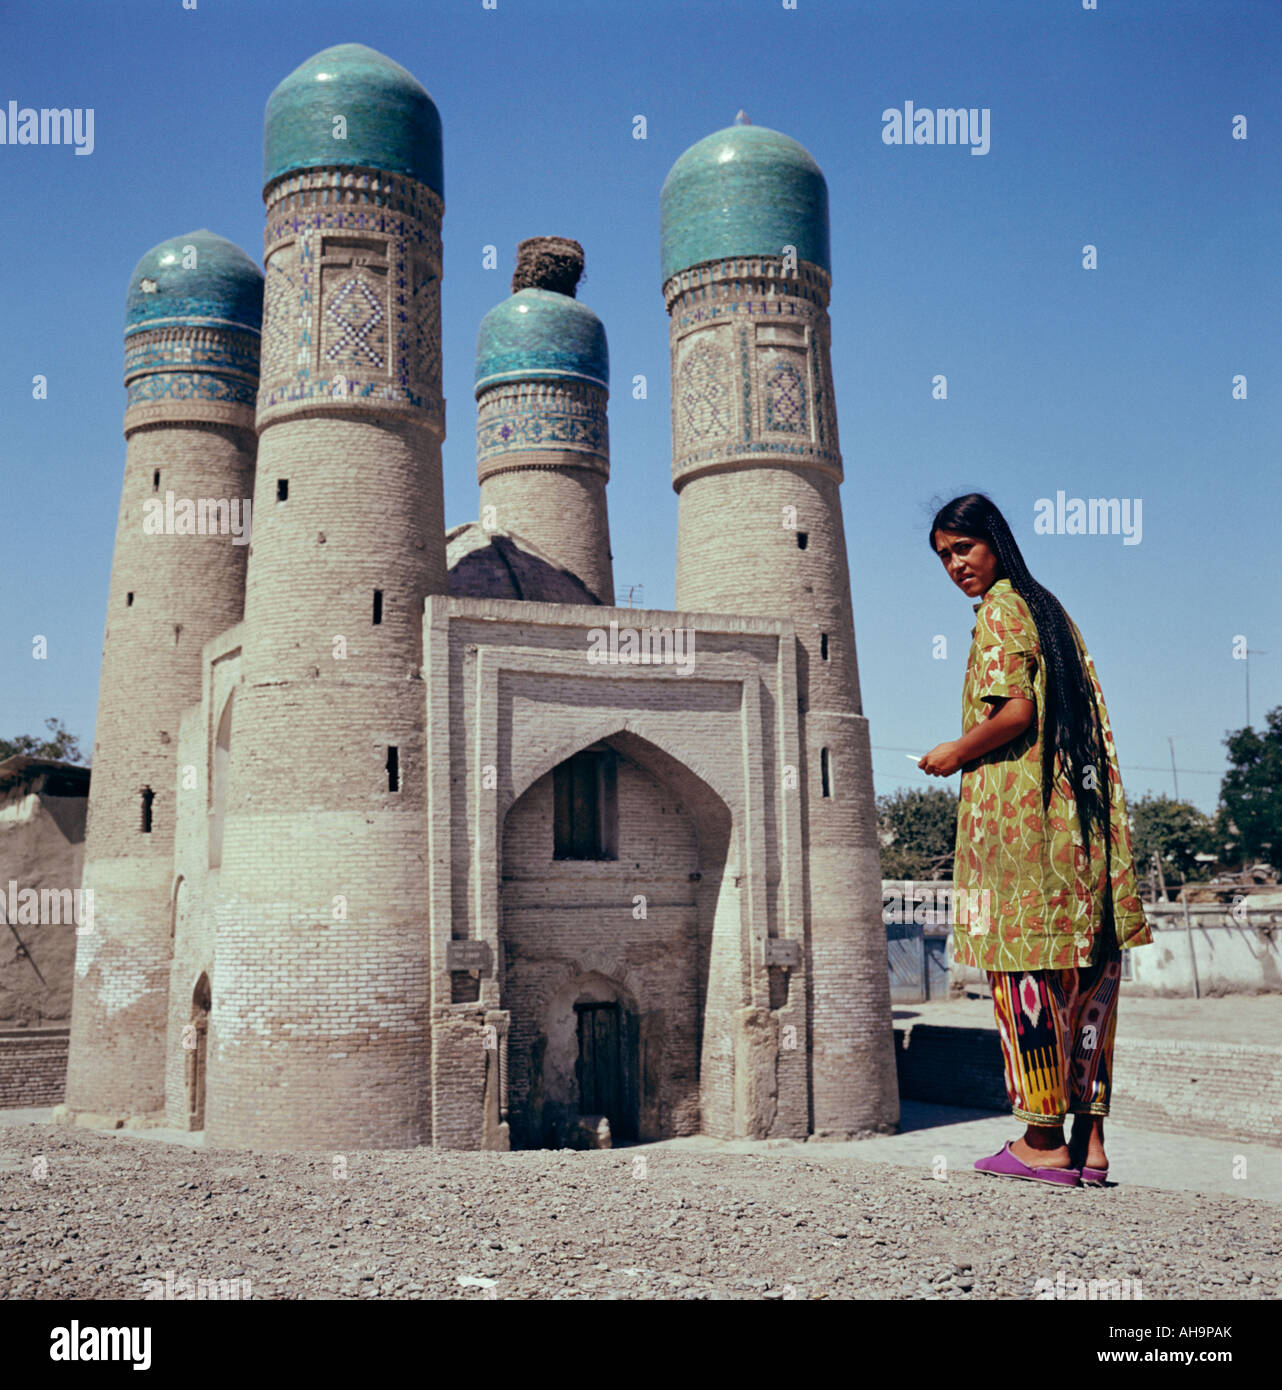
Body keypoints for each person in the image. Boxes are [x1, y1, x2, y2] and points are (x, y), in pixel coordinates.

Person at [918, 493, 1151, 1188]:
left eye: (963, 548)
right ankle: (1091, 1143)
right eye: (944, 556)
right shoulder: (1050, 612)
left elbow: (1016, 713)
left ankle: (1042, 1141)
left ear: (995, 541)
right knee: (1086, 972)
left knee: (1025, 969)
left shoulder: (1000, 610)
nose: (955, 566)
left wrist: (956, 751)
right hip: (1076, 828)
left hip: (1020, 830)